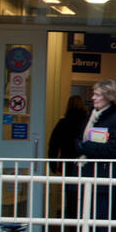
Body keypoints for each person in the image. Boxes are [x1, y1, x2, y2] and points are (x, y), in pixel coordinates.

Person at [73, 80, 116, 232]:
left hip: (103, 179)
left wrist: (85, 147)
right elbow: (76, 141)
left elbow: (115, 149)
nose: (93, 98)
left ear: (109, 96)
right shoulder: (90, 117)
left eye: (97, 94)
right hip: (85, 177)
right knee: (85, 222)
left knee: (101, 225)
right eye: (93, 94)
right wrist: (83, 146)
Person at [47, 94, 87, 225]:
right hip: (84, 162)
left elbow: (53, 143)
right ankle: (83, 221)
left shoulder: (63, 122)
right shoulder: (87, 122)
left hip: (67, 162)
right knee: (85, 192)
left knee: (70, 193)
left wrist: (52, 163)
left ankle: (71, 223)